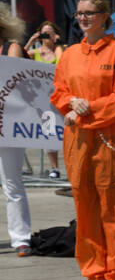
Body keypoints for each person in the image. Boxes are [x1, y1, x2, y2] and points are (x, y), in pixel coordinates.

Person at [50, 0, 115, 280]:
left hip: (113, 141)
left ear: (106, 17)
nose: (83, 18)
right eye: (79, 13)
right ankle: (93, 273)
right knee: (86, 209)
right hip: (79, 142)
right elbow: (59, 91)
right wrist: (70, 102)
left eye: (90, 13)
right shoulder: (69, 55)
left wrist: (88, 108)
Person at [0, 5, 33, 256]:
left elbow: (14, 79)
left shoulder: (11, 47)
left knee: (12, 182)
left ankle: (21, 238)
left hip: (8, 124)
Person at [25, 21, 64, 179]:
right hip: (41, 100)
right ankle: (55, 167)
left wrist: (57, 43)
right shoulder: (35, 53)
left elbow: (61, 63)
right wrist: (32, 41)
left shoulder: (59, 50)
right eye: (44, 33)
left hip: (58, 97)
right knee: (49, 132)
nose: (46, 37)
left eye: (50, 33)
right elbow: (19, 56)